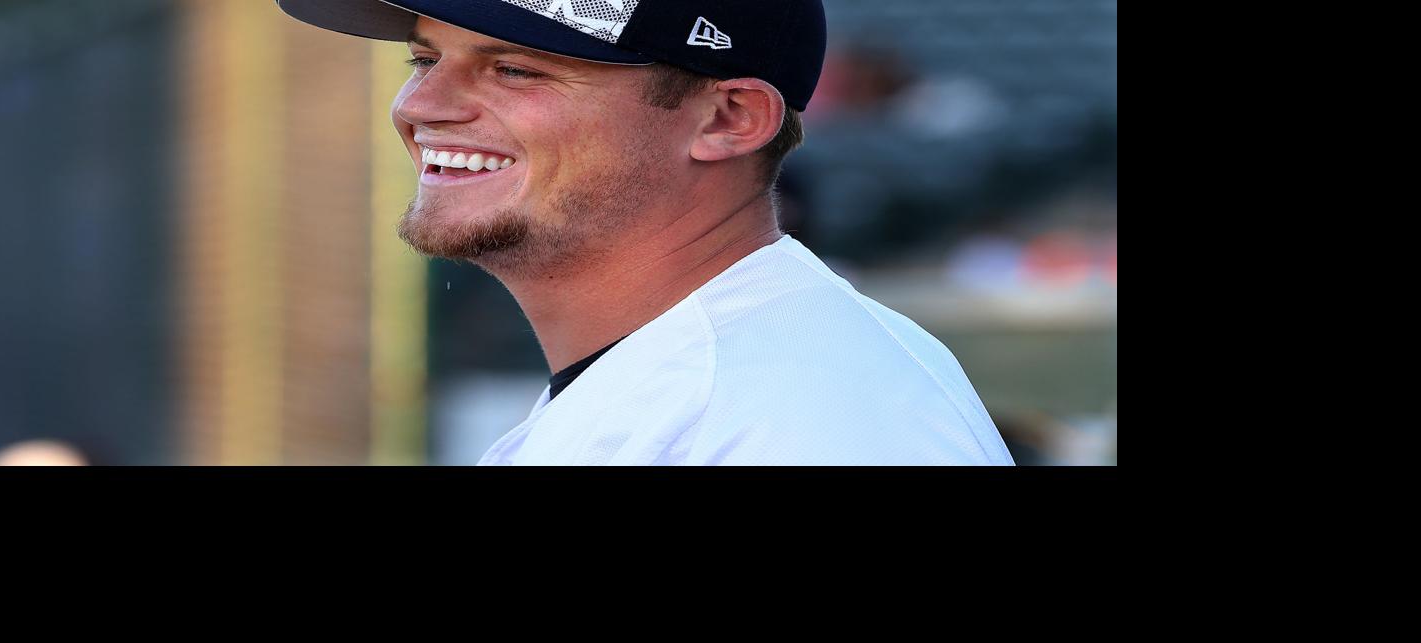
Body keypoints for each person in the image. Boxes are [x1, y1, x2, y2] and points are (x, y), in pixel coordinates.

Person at [277, 0, 1015, 465]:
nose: (421, 105)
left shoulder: (806, 416)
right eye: (425, 58)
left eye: (514, 70)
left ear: (728, 119)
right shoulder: (706, 375)